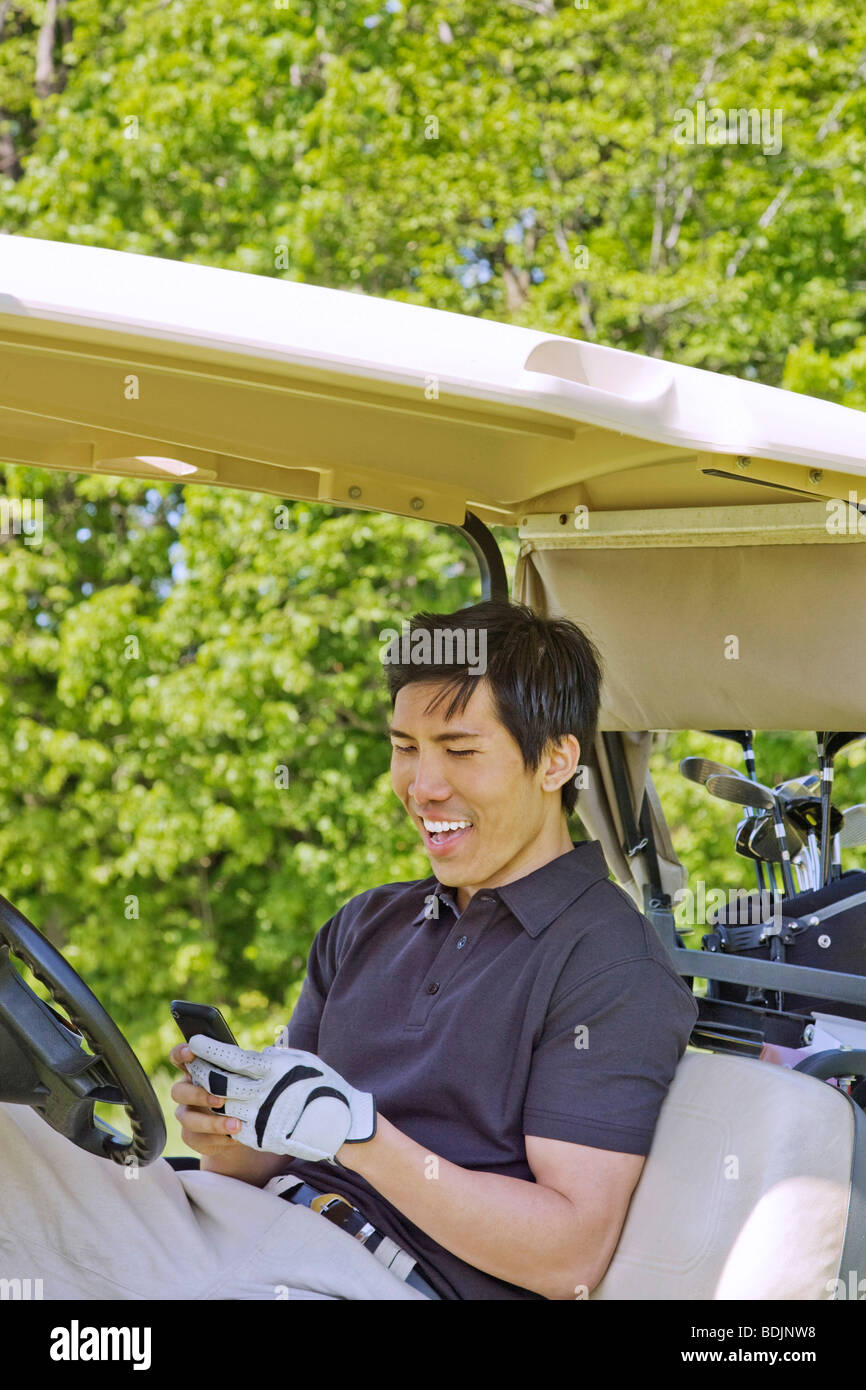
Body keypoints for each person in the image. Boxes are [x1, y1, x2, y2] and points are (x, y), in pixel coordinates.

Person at [0, 598, 697, 1300]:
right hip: (243, 1225)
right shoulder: (368, 922)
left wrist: (360, 1137)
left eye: (459, 750)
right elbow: (264, 1161)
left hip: (371, 1280)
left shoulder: (610, 964)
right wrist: (230, 1130)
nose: (423, 787)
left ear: (554, 761)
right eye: (404, 747)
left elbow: (567, 1261)